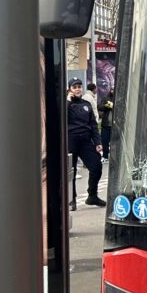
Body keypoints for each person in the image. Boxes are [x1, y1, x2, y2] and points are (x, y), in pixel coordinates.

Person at [67, 77, 105, 207]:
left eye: (79, 86)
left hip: (85, 141)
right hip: (70, 140)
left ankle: (92, 195)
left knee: (96, 166)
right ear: (70, 89)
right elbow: (61, 119)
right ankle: (71, 199)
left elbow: (93, 125)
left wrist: (98, 141)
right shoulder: (66, 104)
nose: (78, 89)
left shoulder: (86, 104)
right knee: (71, 171)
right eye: (74, 87)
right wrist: (67, 101)